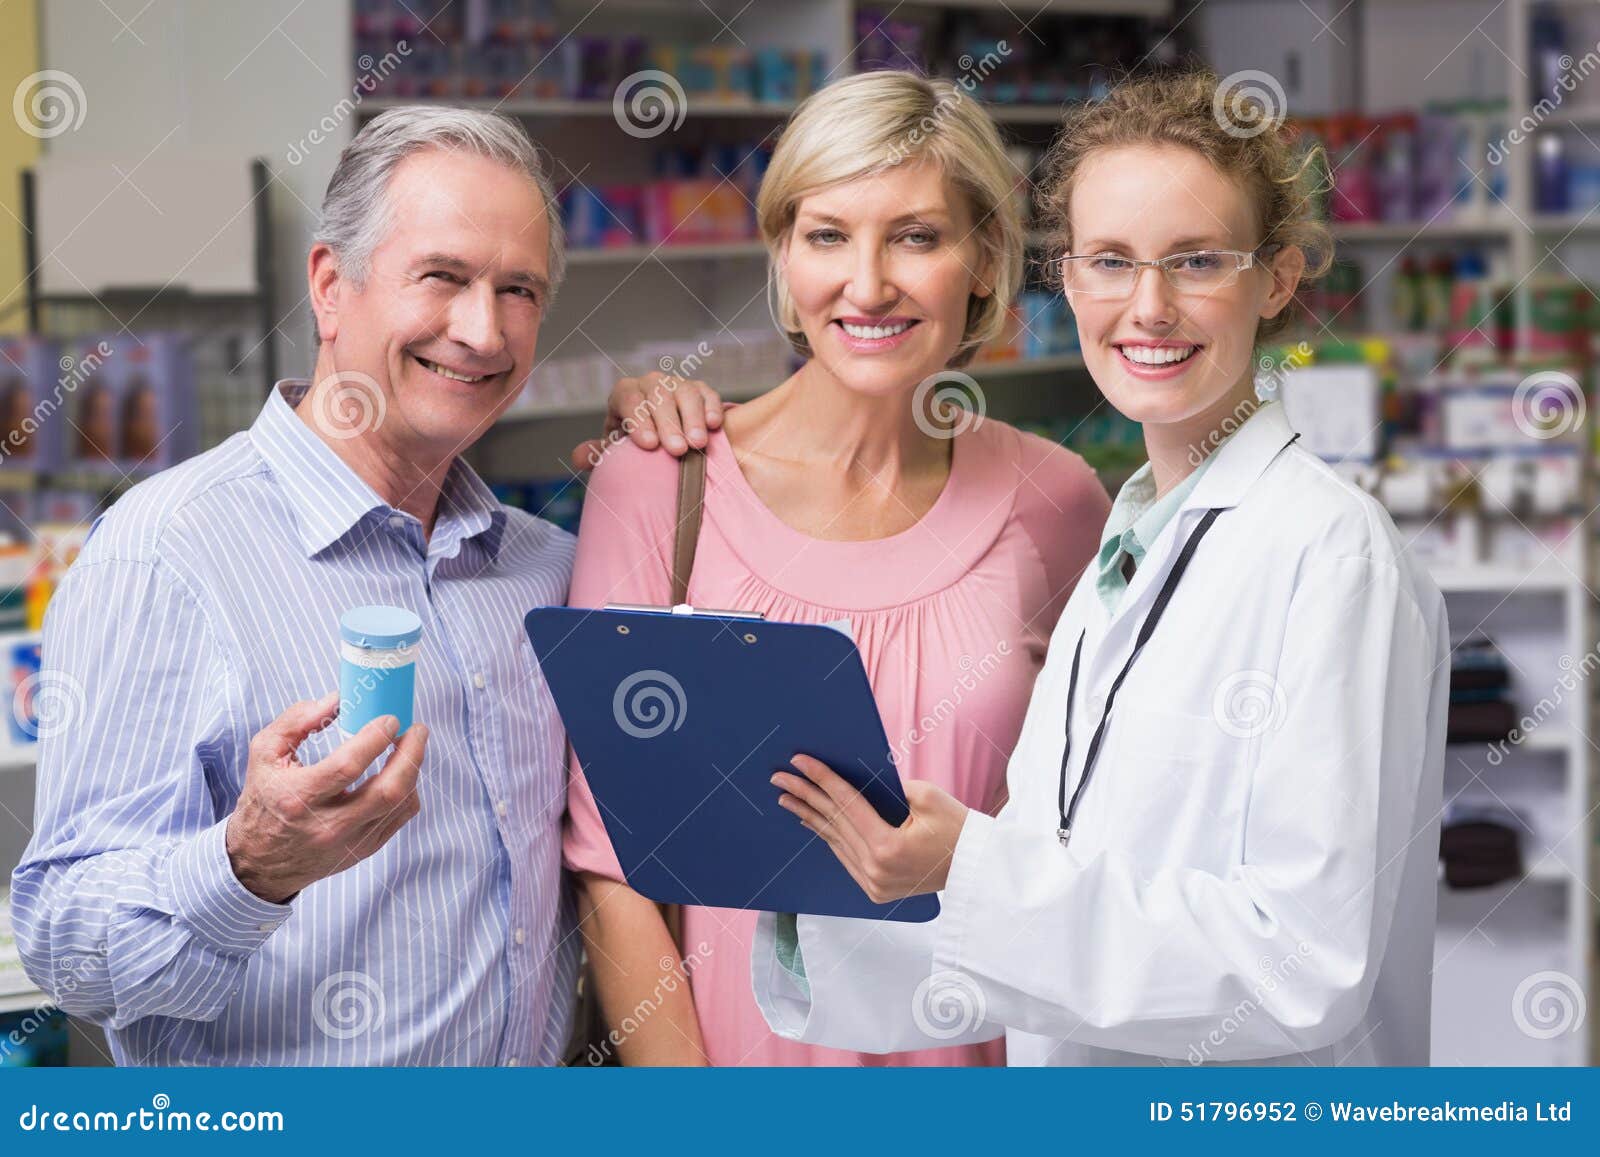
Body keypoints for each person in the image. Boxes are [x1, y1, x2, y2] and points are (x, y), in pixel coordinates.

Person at [756, 66, 1450, 1066]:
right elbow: (1039, 929)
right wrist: (828, 876)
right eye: (1112, 261)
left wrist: (971, 866)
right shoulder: (1120, 555)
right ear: (1070, 278)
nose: (1149, 306)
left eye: (1196, 260)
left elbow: (1304, 965)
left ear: (1278, 278)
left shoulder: (1330, 554)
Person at [10, 106, 714, 1066]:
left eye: (519, 290)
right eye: (443, 277)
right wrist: (247, 866)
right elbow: (65, 948)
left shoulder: (547, 570)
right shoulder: (166, 553)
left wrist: (675, 464)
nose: (483, 331)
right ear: (330, 287)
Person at [562, 70, 1111, 1067]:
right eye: (826, 235)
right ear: (783, 255)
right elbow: (610, 863)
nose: (866, 285)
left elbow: (1091, 829)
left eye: (916, 236)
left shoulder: (1057, 503)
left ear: (986, 258)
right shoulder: (658, 486)